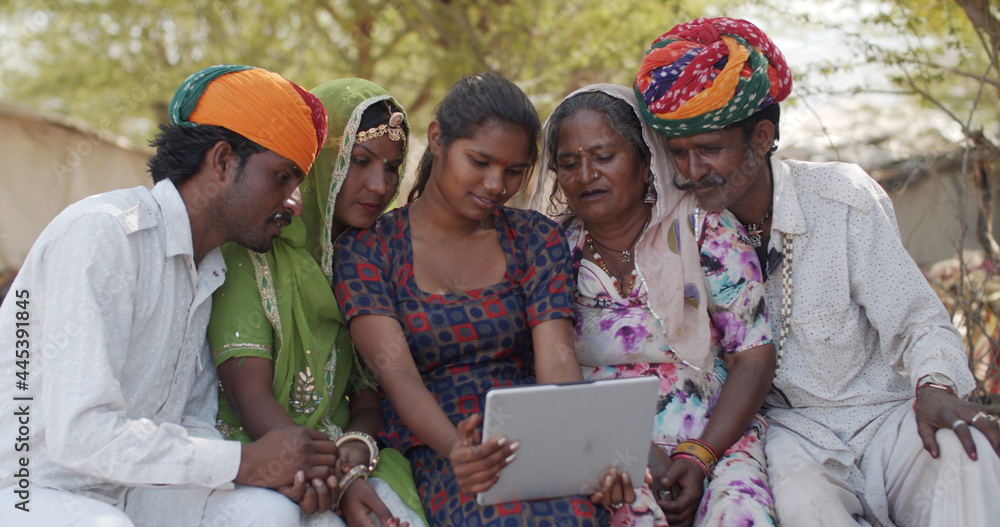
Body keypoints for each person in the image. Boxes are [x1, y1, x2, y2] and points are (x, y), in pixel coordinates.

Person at [634, 17, 1000, 526]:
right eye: (679, 151)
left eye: (711, 149)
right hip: (789, 436)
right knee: (803, 502)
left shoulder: (842, 198)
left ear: (761, 137)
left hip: (885, 419)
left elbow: (919, 323)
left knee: (969, 453)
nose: (691, 171)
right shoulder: (680, 233)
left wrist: (935, 387)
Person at [0, 65, 340, 527]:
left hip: (134, 490)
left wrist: (274, 470)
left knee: (272, 512)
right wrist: (243, 463)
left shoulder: (211, 267)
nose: (294, 202)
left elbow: (188, 422)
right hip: (30, 486)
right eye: (282, 176)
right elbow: (79, 435)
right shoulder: (104, 234)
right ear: (222, 161)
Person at [333, 72, 619, 525]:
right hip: (440, 441)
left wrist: (580, 448)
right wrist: (456, 449)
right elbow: (398, 375)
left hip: (533, 432)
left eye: (513, 171)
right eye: (480, 161)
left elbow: (558, 361)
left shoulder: (533, 237)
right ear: (437, 139)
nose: (495, 184)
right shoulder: (370, 249)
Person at [529, 84, 777, 526]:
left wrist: (700, 455)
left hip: (715, 439)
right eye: (569, 163)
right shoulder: (552, 252)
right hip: (602, 448)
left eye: (604, 157)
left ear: (646, 162)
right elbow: (550, 377)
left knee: (740, 516)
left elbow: (753, 356)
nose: (586, 175)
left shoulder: (703, 231)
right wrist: (630, 454)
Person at [208, 78, 428, 527]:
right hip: (259, 454)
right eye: (360, 161)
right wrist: (337, 478)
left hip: (343, 453)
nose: (379, 185)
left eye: (391, 168)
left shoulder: (366, 261)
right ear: (319, 162)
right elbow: (249, 396)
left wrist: (357, 449)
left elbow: (368, 392)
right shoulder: (252, 250)